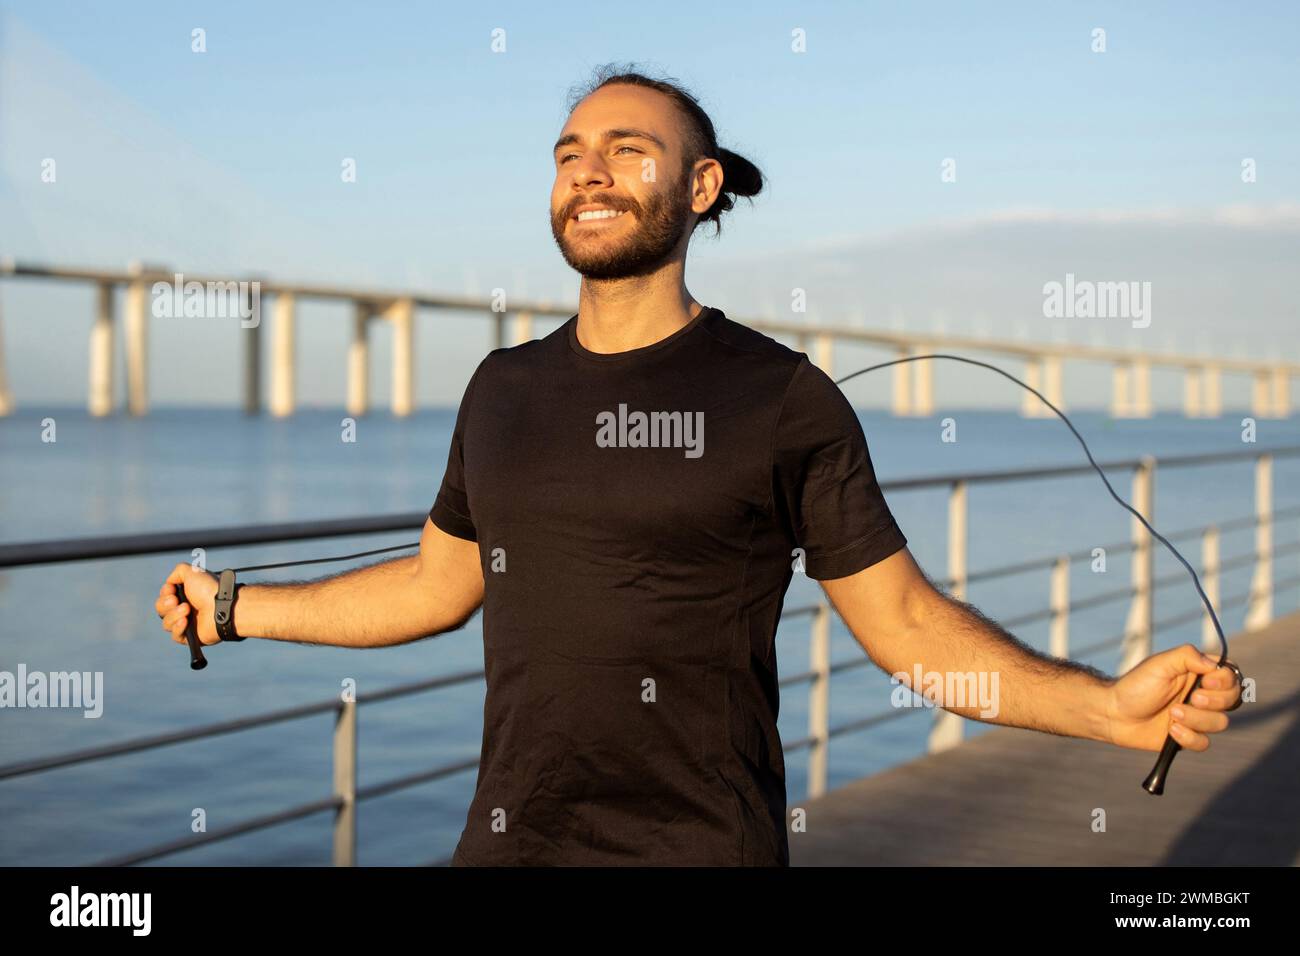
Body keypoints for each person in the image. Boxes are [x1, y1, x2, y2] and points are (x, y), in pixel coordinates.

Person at [155, 63, 1243, 866]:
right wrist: (238, 607)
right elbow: (436, 583)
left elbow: (906, 627)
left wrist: (1105, 708)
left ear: (702, 185)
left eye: (629, 150)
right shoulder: (500, 389)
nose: (589, 171)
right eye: (569, 153)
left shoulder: (780, 398)